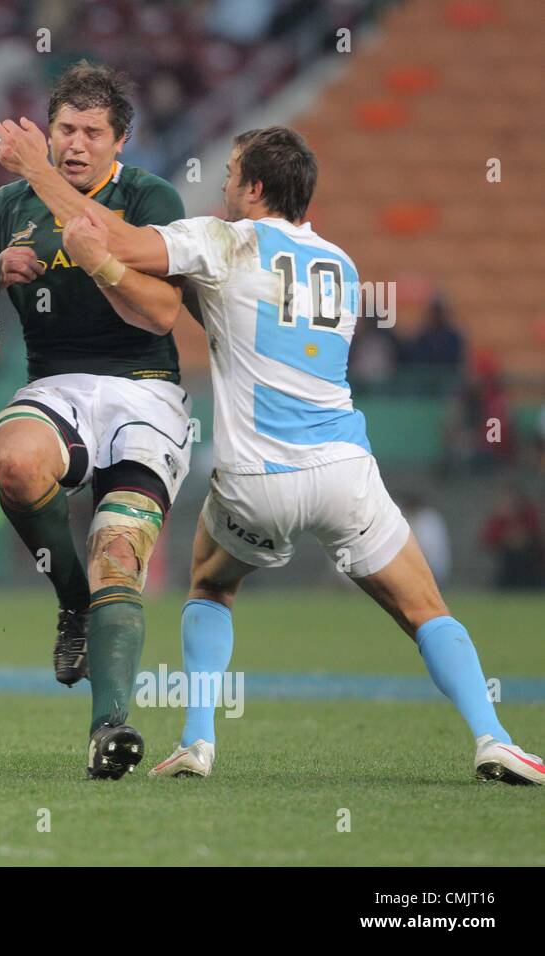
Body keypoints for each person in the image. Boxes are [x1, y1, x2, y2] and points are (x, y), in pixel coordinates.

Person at [44, 124, 541, 785]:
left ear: (253, 187)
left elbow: (116, 241)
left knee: (212, 585)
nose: (221, 184)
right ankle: (493, 737)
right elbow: (237, 317)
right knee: (426, 608)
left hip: (258, 482)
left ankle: (197, 740)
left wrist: (37, 171)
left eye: (229, 173)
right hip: (344, 473)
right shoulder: (341, 264)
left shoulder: (223, 239)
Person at [0, 61, 194, 779]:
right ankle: (73, 602)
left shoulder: (149, 196)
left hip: (147, 390)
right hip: (57, 385)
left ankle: (109, 729)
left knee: (117, 554)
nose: (74, 144)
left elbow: (163, 313)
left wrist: (48, 186)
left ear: (119, 142)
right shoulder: (8, 206)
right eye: (63, 130)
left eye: (91, 133)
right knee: (12, 461)